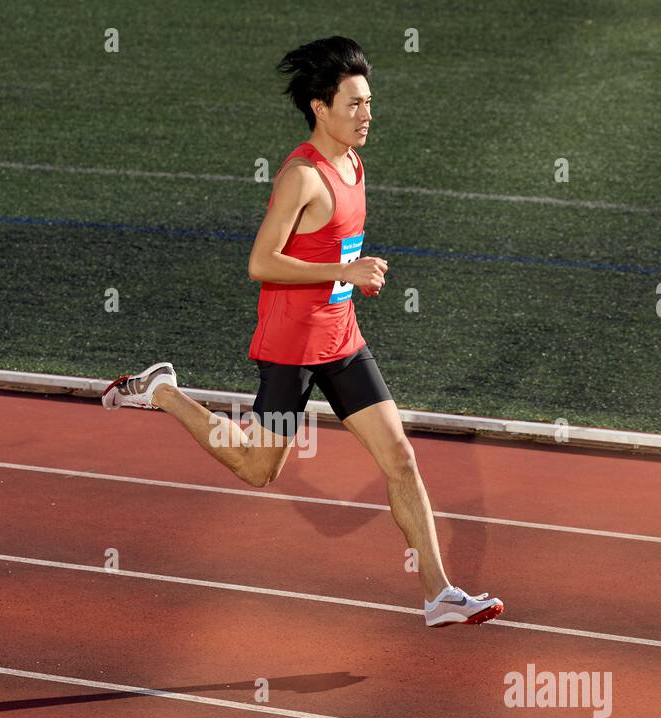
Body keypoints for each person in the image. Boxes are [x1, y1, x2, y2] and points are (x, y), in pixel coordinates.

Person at [102, 36, 503, 627]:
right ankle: (163, 390)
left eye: (369, 101)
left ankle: (438, 593)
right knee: (258, 470)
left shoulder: (354, 162)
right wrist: (346, 269)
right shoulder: (302, 177)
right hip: (292, 349)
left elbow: (331, 245)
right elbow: (260, 263)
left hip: (341, 341)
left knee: (401, 458)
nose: (367, 114)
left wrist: (350, 279)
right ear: (320, 106)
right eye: (354, 104)